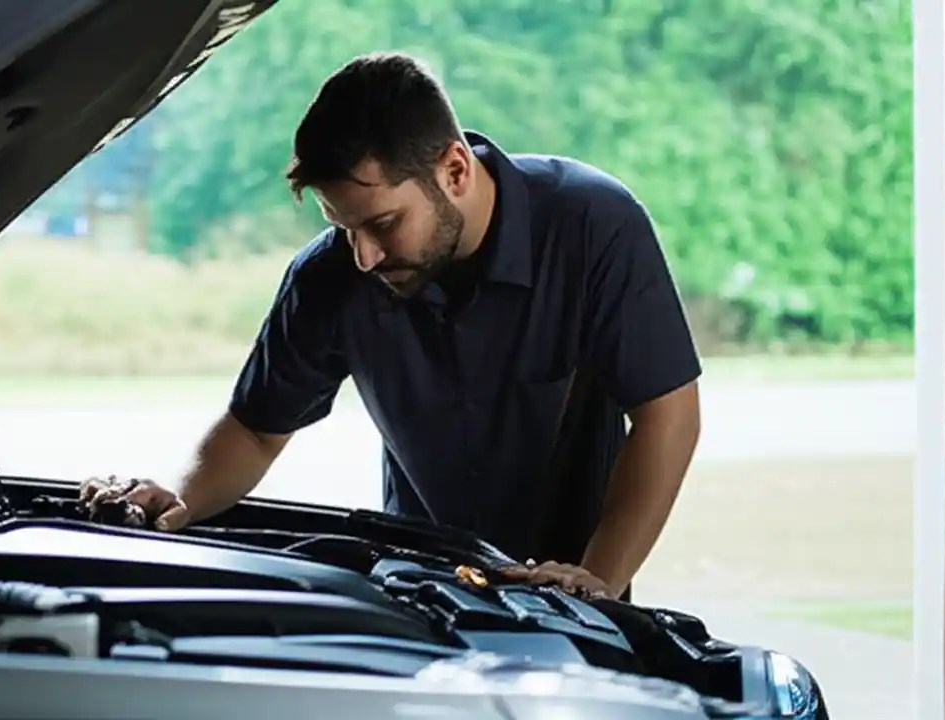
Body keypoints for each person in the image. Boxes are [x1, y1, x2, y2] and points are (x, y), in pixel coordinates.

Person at [82, 51, 702, 601]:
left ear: (454, 169)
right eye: (341, 227)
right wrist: (176, 501)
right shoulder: (331, 276)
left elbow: (667, 415)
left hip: (570, 594)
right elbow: (256, 431)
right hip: (421, 593)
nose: (364, 256)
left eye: (381, 223)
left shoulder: (593, 225)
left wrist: (598, 579)